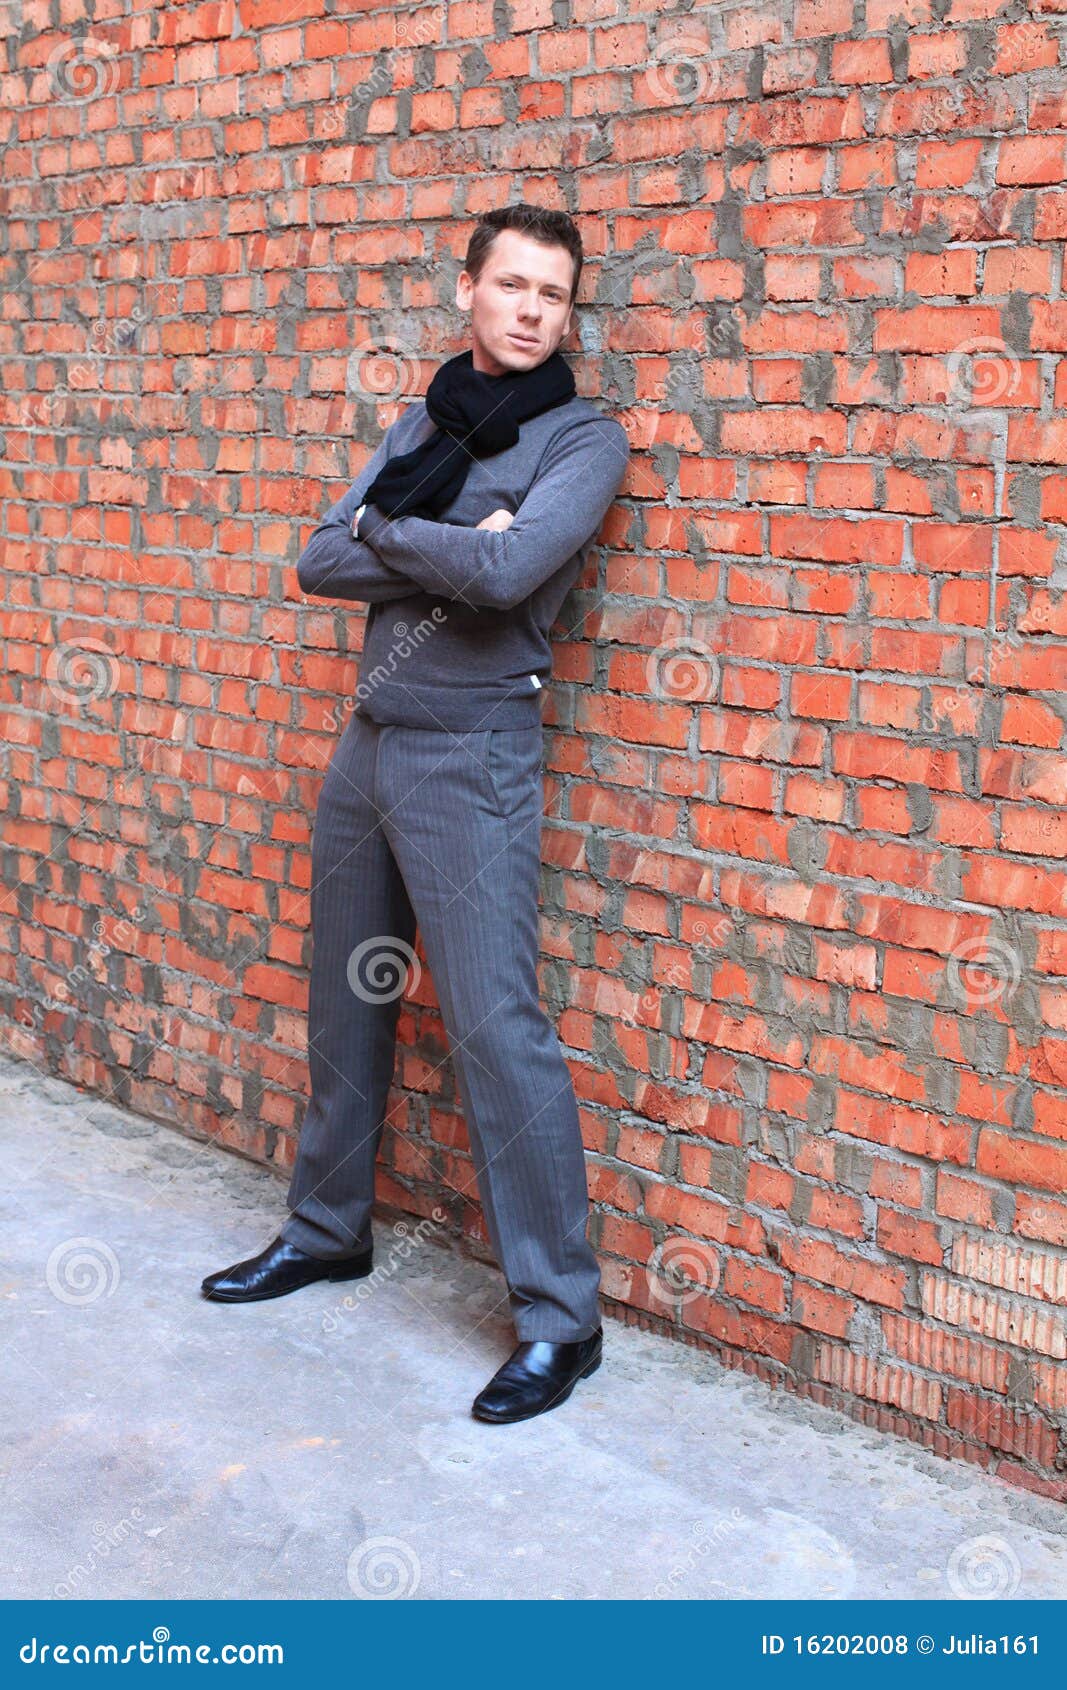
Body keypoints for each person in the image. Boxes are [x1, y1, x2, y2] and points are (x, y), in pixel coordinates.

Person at [201, 204, 631, 1425]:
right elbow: (317, 561)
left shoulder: (581, 439)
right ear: (468, 291)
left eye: (553, 293)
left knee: (495, 1025)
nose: (532, 310)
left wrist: (387, 529)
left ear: (568, 311)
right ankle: (325, 1229)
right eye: (512, 284)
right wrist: (436, 534)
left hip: (472, 753)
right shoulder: (422, 423)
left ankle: (560, 1319)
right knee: (346, 996)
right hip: (370, 742)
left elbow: (509, 573)